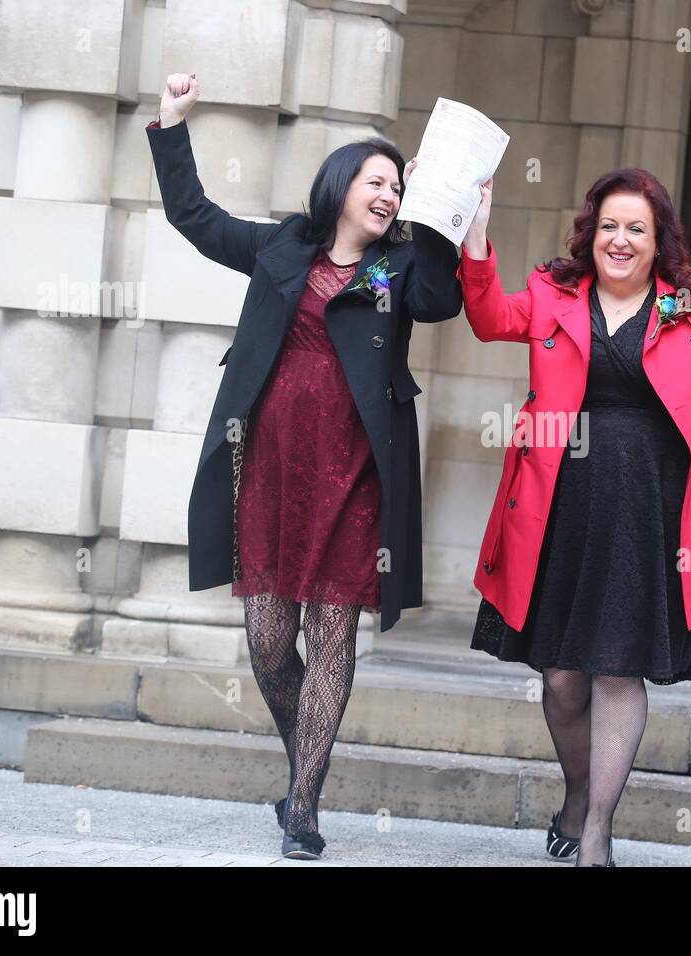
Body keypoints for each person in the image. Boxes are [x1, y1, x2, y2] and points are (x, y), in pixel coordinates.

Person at [457, 165, 691, 866]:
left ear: (659, 240)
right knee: (564, 678)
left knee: (616, 669)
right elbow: (486, 319)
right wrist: (476, 236)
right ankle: (577, 796)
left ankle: (597, 830)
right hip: (563, 505)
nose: (621, 240)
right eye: (609, 227)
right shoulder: (552, 293)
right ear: (590, 234)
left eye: (636, 228)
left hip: (653, 509)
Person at [147, 73, 462, 860]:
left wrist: (436, 216)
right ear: (341, 186)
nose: (388, 194)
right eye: (377, 181)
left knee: (331, 632)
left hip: (357, 468)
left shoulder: (397, 265)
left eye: (397, 185)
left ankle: (304, 810)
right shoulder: (282, 246)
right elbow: (195, 217)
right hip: (273, 464)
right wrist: (172, 125)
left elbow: (440, 301)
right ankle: (304, 769)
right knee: (265, 639)